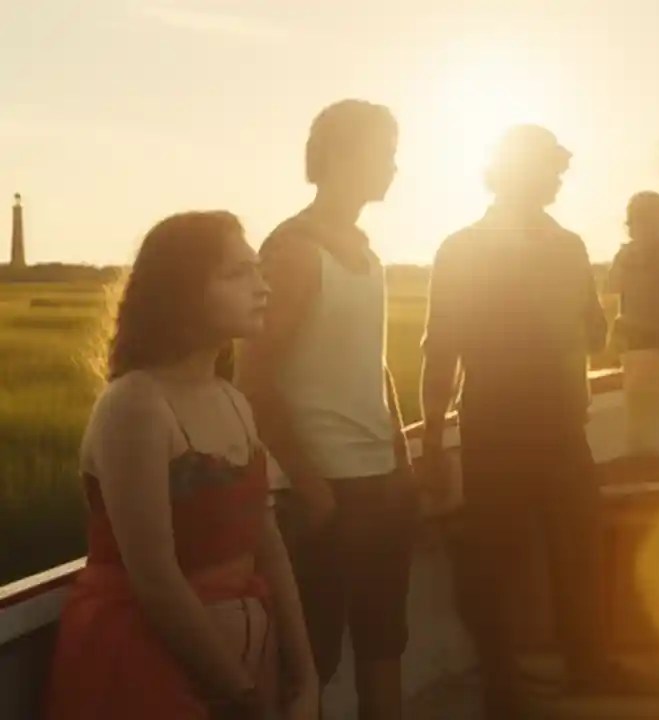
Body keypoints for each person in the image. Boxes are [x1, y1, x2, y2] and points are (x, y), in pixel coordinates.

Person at [44, 211, 319, 719]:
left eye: (259, 270)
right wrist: (241, 698)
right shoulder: (137, 404)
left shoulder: (232, 400)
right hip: (147, 675)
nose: (263, 287)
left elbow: (270, 547)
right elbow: (155, 578)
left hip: (247, 677)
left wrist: (304, 677)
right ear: (182, 292)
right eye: (238, 273)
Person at [418, 124, 627, 718]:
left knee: (567, 551)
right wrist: (433, 440)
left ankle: (564, 672)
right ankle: (525, 682)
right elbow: (441, 349)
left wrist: (435, 437)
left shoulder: (478, 245)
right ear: (518, 172)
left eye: (559, 168)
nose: (559, 178)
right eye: (550, 168)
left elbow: (441, 347)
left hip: (551, 428)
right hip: (504, 431)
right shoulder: (536, 246)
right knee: (503, 559)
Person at [238, 99, 416, 720]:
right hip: (321, 493)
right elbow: (253, 379)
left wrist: (401, 460)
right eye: (385, 153)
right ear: (342, 157)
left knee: (384, 643)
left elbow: (375, 367)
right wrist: (313, 491)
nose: (395, 167)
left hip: (380, 486)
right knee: (311, 662)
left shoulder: (367, 253)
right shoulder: (292, 251)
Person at [607, 191, 659, 455]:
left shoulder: (648, 257)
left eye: (632, 221)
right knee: (645, 420)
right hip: (647, 347)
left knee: (640, 425)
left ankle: (642, 475)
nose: (629, 228)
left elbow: (613, 289)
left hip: (643, 346)